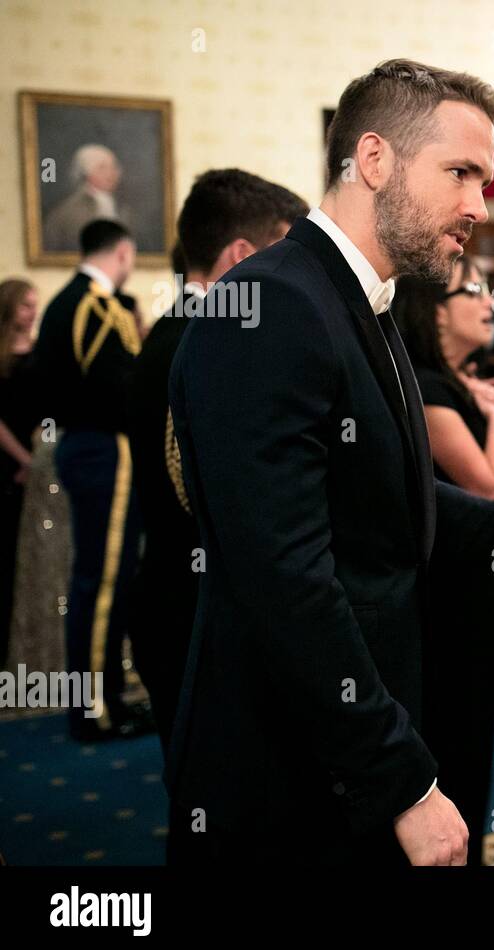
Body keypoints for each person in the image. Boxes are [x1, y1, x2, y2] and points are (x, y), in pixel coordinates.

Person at [165, 59, 494, 867]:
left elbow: (387, 501)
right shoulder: (272, 307)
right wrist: (399, 780)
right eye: (460, 172)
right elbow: (286, 581)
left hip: (340, 743)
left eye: (485, 179)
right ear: (374, 159)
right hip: (282, 769)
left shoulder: (362, 302)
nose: (479, 205)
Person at [125, 168, 308, 756]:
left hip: (173, 599)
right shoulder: (214, 344)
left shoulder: (170, 332)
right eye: (288, 254)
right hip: (209, 620)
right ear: (239, 257)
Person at [392, 259, 494, 864]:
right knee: (455, 727)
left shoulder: (457, 381)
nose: (488, 301)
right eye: (471, 289)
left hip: (476, 573)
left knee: (478, 721)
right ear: (435, 309)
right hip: (446, 587)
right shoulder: (429, 386)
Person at [32, 218, 152, 740]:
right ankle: (95, 708)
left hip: (87, 447)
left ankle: (107, 697)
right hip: (104, 449)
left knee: (104, 580)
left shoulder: (66, 303)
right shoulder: (97, 305)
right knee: (101, 584)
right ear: (123, 253)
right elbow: (119, 389)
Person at [0, 279, 41, 668]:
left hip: (36, 467)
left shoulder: (41, 354)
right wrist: (23, 459)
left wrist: (38, 459)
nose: (32, 312)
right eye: (26, 305)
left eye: (35, 305)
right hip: (9, 465)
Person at [42, 145, 135, 253]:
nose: (111, 173)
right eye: (102, 168)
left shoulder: (125, 208)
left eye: (113, 167)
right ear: (87, 172)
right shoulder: (66, 212)